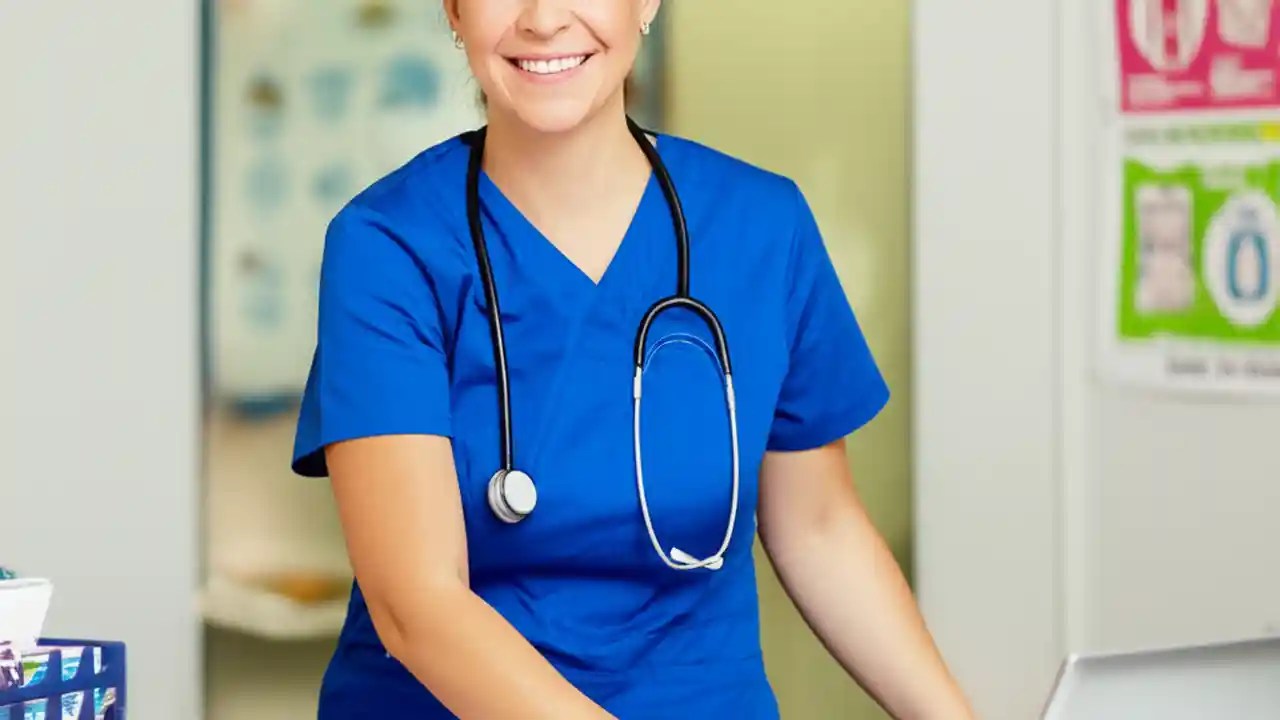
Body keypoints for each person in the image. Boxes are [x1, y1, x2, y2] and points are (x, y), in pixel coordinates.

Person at [291, 0, 974, 717]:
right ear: (453, 11)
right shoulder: (389, 247)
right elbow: (417, 605)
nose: (544, 19)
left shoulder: (760, 227)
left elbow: (820, 528)